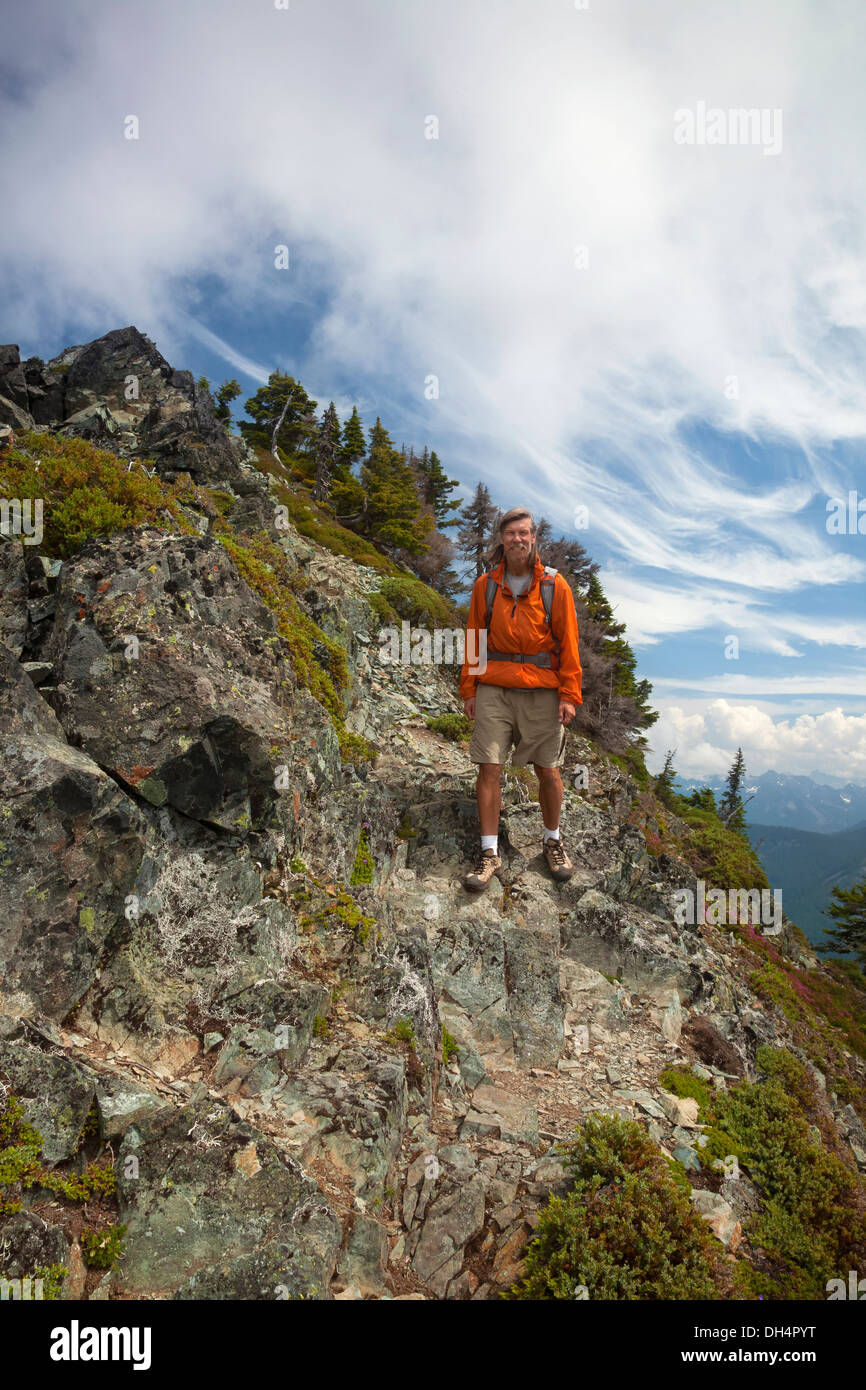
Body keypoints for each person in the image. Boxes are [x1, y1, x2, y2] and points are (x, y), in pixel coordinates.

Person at [459, 506, 582, 891]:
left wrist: (569, 694)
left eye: (525, 533)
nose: (518, 539)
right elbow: (475, 639)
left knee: (548, 770)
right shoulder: (486, 586)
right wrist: (469, 689)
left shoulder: (553, 585)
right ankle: (489, 853)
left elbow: (569, 642)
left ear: (534, 539)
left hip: (544, 692)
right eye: (511, 533)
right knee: (489, 767)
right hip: (494, 687)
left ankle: (552, 839)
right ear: (501, 539)